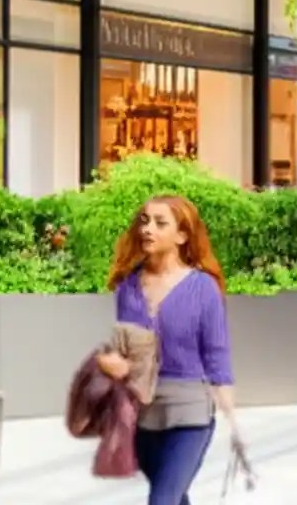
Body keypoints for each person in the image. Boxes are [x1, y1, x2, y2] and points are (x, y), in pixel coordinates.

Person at [101, 195, 241, 505]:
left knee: (162, 500)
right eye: (145, 221)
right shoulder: (128, 288)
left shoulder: (203, 287)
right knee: (175, 498)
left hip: (190, 411)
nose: (148, 229)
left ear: (182, 235)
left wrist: (227, 403)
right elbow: (129, 348)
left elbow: (216, 350)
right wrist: (114, 364)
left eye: (160, 223)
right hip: (142, 412)